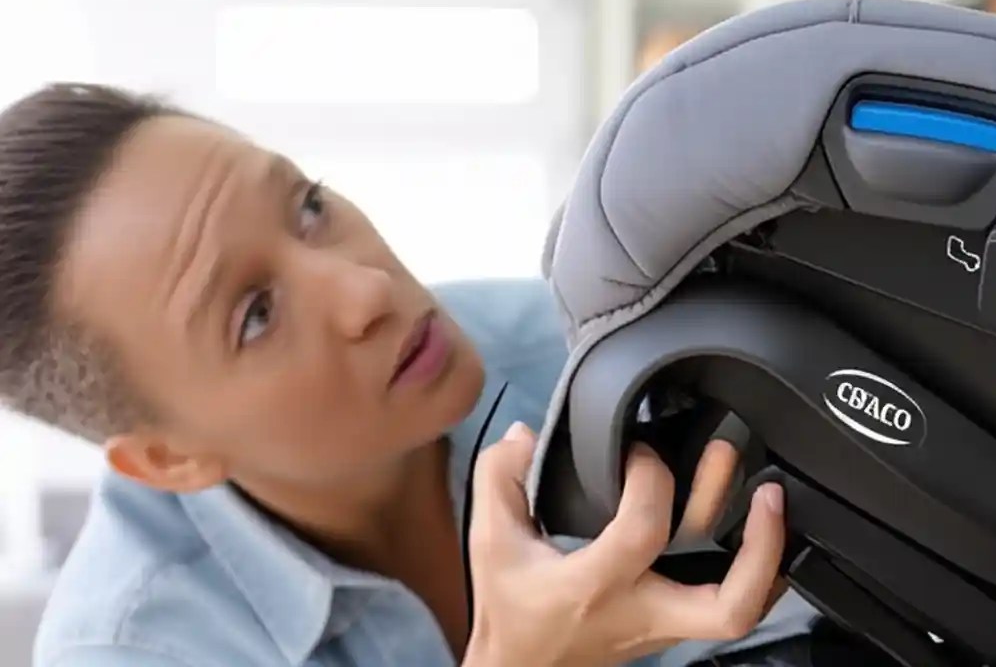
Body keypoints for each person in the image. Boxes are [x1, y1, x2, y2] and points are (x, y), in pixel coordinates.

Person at [0, 83, 820, 666]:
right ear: (168, 459)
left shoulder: (590, 340)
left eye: (309, 207)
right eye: (255, 314)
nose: (364, 290)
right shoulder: (130, 647)